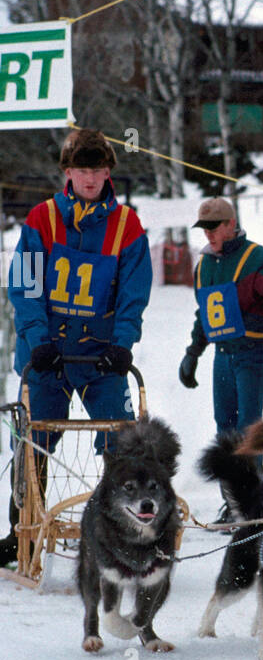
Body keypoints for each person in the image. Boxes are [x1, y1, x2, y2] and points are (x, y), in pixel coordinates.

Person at [0, 128, 153, 566]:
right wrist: (36, 340)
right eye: (83, 170)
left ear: (109, 173)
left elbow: (133, 293)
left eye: (99, 170)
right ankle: (21, 531)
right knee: (33, 441)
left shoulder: (127, 226)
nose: (91, 178)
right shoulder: (42, 219)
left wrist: (123, 344)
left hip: (100, 355)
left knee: (122, 440)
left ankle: (124, 532)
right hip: (46, 353)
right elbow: (26, 286)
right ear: (68, 172)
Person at [178, 197, 263, 437]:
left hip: (251, 353)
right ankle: (227, 475)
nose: (208, 233)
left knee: (249, 429)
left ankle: (251, 474)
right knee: (224, 426)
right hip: (222, 356)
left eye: (214, 227)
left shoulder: (256, 257)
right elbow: (205, 313)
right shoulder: (204, 264)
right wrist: (193, 352)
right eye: (205, 228)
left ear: (231, 224)